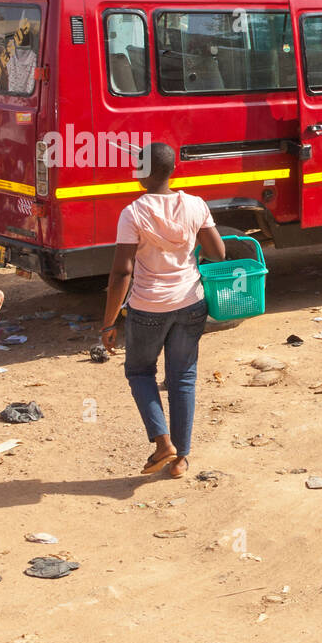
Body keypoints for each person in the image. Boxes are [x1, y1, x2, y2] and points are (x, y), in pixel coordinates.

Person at [101, 143, 226, 479]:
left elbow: (122, 273)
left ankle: (162, 441)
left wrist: (108, 323)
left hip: (148, 308)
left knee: (140, 372)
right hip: (190, 303)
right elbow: (218, 252)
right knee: (183, 378)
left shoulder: (133, 213)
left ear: (142, 173)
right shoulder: (195, 205)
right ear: (173, 170)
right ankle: (180, 459)